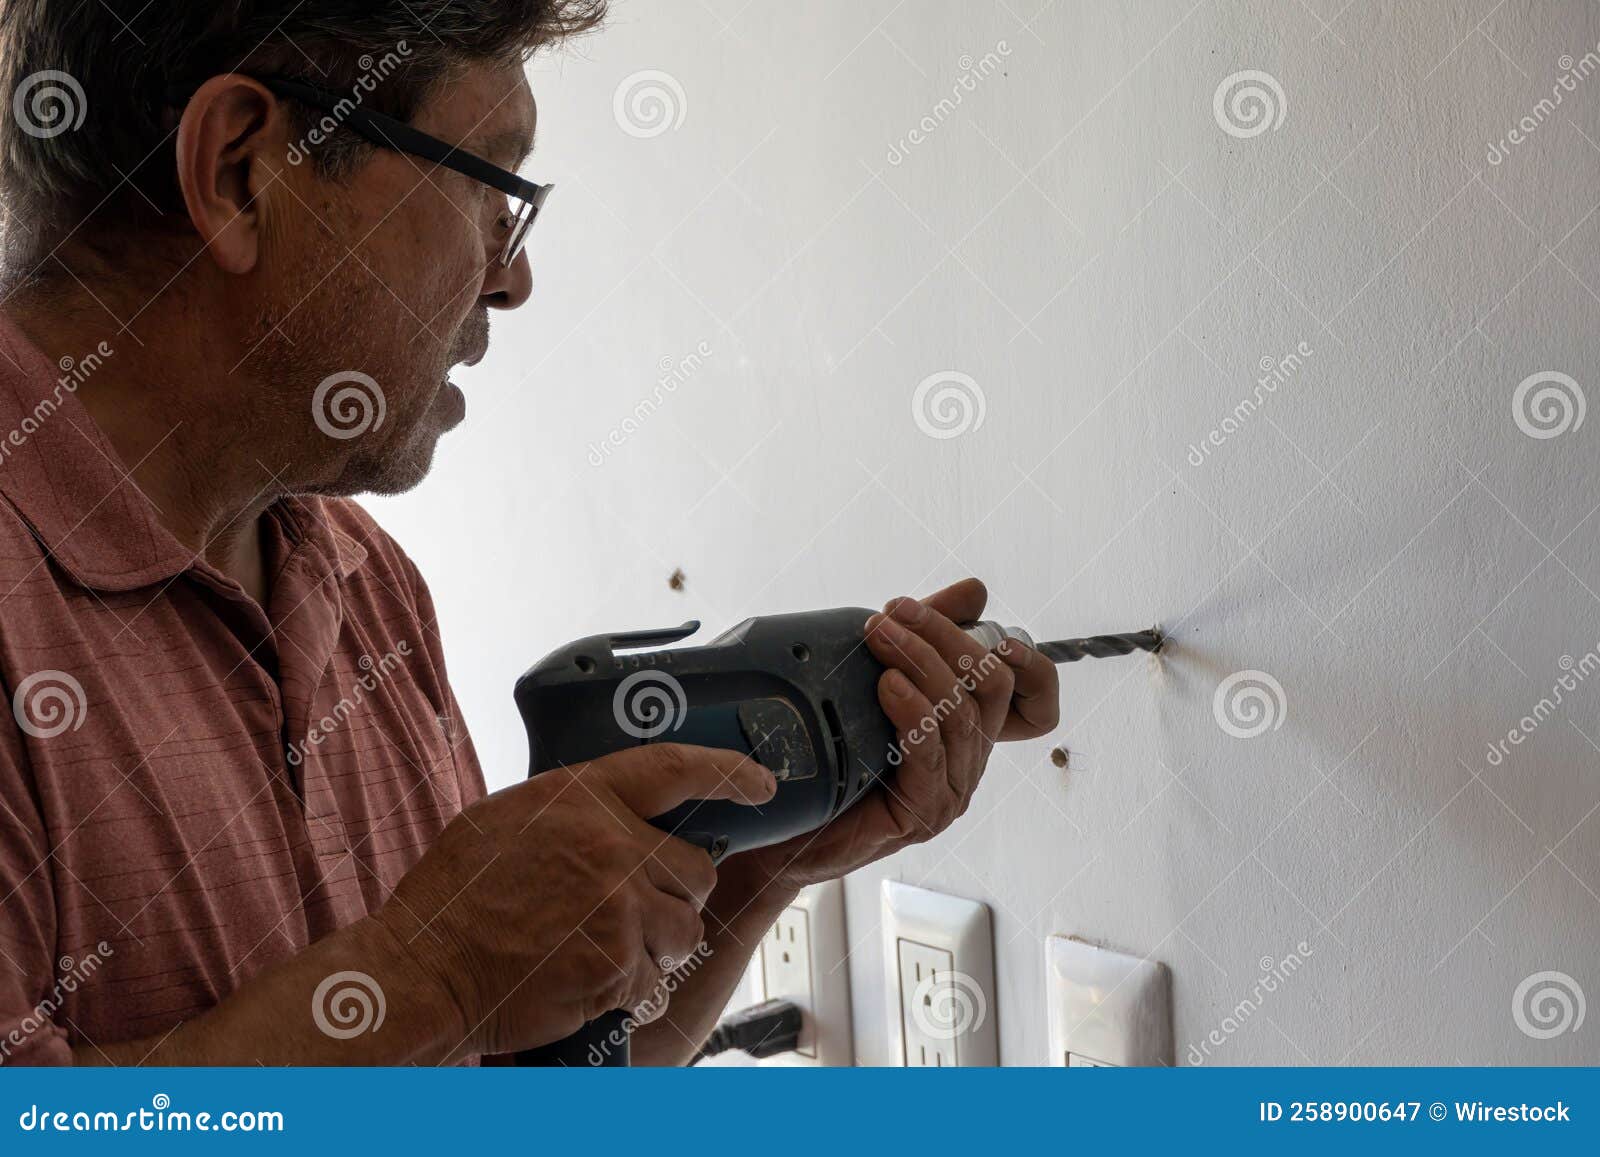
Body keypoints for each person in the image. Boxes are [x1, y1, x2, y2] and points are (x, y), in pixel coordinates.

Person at [0, 1, 1060, 1066]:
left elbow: (508, 1084)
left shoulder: (358, 576)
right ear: (242, 170)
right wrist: (435, 975)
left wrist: (756, 871)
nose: (511, 278)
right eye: (492, 192)